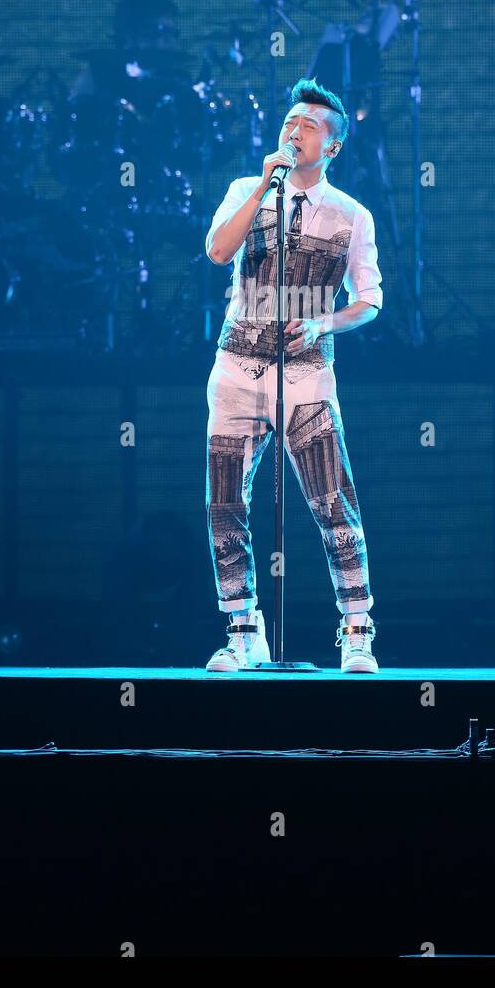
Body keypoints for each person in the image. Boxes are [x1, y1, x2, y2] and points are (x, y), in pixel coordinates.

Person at [203, 78, 383, 673]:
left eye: (308, 124)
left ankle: (357, 628)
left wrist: (324, 323)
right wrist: (261, 186)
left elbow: (371, 299)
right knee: (226, 501)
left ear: (332, 146)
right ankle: (243, 630)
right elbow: (217, 251)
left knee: (333, 500)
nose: (294, 129)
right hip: (236, 371)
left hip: (306, 378)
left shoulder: (351, 215)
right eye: (290, 120)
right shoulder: (244, 191)